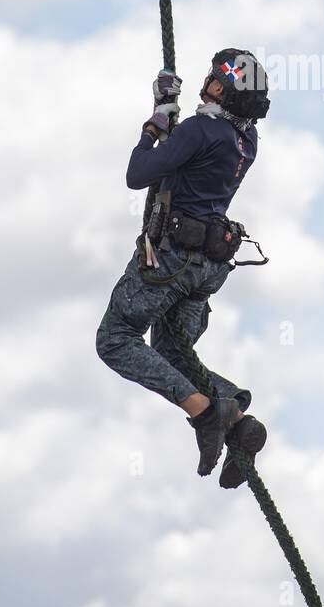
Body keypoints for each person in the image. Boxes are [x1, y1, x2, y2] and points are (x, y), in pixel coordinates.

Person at [96, 52, 270, 487]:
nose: (207, 81)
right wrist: (171, 123)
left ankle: (206, 413)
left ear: (220, 90)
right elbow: (187, 164)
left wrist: (153, 125)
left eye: (214, 79)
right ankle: (232, 408)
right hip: (209, 268)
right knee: (173, 353)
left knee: (115, 340)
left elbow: (138, 174)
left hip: (174, 261)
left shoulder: (200, 130)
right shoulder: (245, 143)